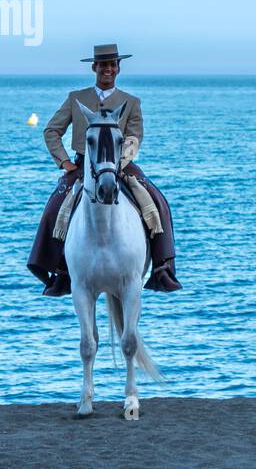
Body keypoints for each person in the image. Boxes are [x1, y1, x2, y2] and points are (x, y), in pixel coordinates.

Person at [27, 43, 182, 296]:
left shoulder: (131, 102)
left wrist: (118, 163)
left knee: (157, 201)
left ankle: (162, 268)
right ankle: (57, 272)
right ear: (94, 67)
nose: (108, 69)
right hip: (84, 166)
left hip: (120, 164)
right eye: (103, 65)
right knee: (56, 205)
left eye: (112, 64)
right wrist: (65, 163)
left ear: (118, 68)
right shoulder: (75, 99)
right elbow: (51, 131)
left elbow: (134, 137)